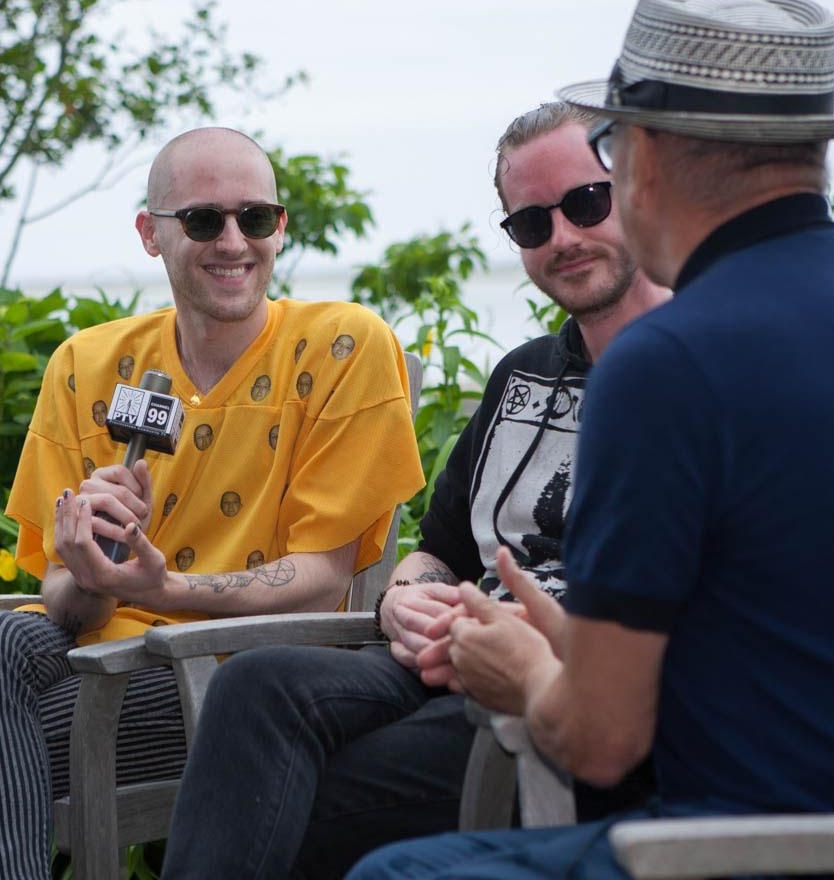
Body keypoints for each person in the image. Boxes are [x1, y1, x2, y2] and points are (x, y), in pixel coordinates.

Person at [349, 0, 834, 878]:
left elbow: (599, 743)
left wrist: (521, 666)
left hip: (778, 850)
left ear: (645, 157)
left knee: (395, 872)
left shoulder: (668, 363)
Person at [0, 127, 425, 880]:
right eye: (203, 220)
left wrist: (164, 589)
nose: (234, 241)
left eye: (255, 218)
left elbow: (324, 576)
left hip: (233, 673)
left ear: (279, 227)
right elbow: (66, 603)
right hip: (101, 646)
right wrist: (92, 567)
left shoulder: (340, 345)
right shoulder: (89, 363)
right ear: (150, 234)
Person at [160, 103, 669, 879]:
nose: (562, 237)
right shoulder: (524, 373)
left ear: (635, 193)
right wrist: (403, 601)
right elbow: (437, 551)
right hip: (445, 658)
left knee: (278, 797)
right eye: (530, 224)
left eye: (585, 204)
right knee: (255, 681)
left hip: (564, 697)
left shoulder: (693, 377)